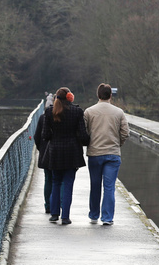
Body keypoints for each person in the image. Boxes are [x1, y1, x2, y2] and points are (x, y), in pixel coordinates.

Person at [41, 87, 89, 224]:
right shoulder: (77, 111)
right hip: (72, 152)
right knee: (68, 184)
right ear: (70, 97)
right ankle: (65, 217)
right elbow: (83, 134)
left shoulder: (49, 112)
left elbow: (45, 135)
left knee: (56, 182)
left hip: (55, 152)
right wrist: (87, 142)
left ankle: (54, 214)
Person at [84, 82, 129, 225]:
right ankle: (107, 218)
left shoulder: (89, 112)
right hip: (113, 154)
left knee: (95, 185)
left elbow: (83, 132)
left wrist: (90, 144)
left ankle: (93, 215)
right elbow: (125, 133)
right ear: (110, 95)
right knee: (109, 187)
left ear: (98, 95)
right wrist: (118, 144)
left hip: (95, 153)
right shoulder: (119, 112)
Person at [32, 93, 55, 213]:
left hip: (46, 153)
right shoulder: (63, 116)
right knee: (58, 180)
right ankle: (58, 205)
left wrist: (41, 149)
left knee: (48, 179)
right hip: (59, 153)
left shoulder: (42, 117)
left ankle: (48, 205)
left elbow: (36, 136)